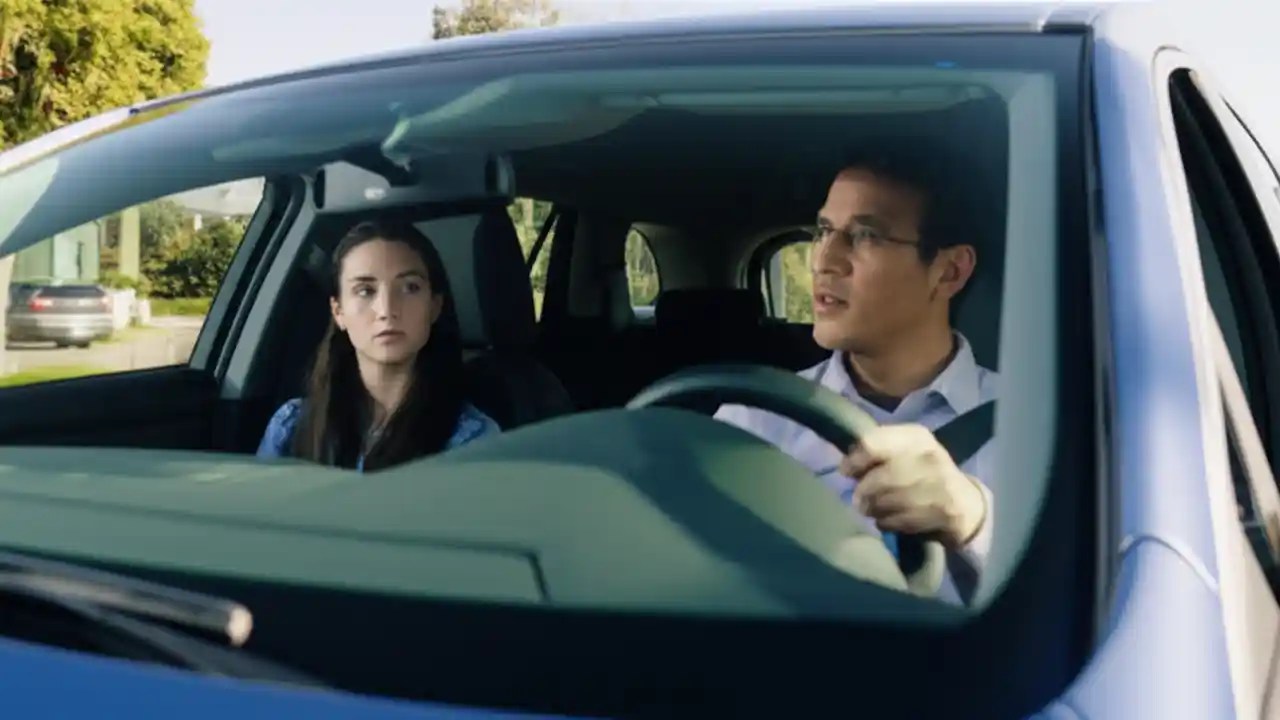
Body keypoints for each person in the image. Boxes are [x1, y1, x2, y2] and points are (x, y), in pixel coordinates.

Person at [715, 159, 997, 605]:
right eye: (824, 231)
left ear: (949, 271)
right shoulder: (752, 422)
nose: (824, 261)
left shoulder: (1037, 426)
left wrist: (974, 520)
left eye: (866, 235)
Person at [257, 219, 499, 471]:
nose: (386, 310)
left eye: (409, 287)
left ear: (435, 306)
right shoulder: (291, 428)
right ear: (338, 311)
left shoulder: (471, 441)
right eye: (365, 291)